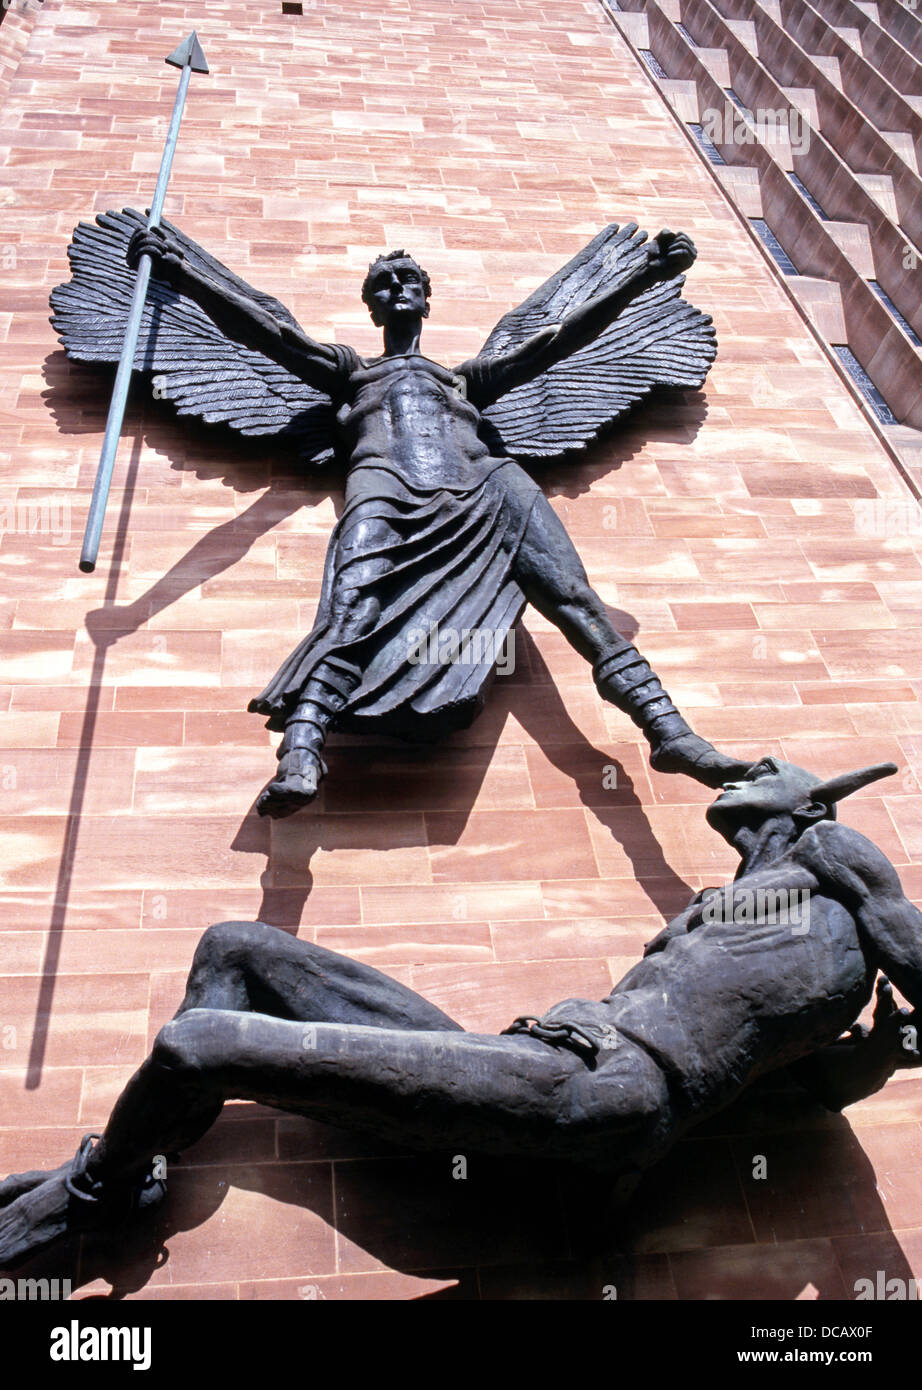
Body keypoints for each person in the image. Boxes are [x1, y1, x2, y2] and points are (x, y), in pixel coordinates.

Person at [2, 755, 919, 1269]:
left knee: (195, 1046)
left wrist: (876, 1054)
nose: (742, 768)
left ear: (804, 806)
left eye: (766, 767)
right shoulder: (746, 909)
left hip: (606, 1087)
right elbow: (767, 1081)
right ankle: (146, 1158)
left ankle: (90, 1200)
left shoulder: (832, 854)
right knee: (236, 947)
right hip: (543, 1060)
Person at [124, 224, 751, 817]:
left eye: (408, 280)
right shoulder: (350, 371)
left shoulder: (465, 380)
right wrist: (183, 276)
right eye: (384, 284)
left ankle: (670, 733)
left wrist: (641, 277)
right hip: (386, 487)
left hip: (491, 487)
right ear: (373, 308)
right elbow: (271, 334)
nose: (398, 288)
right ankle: (300, 752)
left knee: (576, 600)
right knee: (349, 610)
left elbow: (559, 337)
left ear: (427, 299)